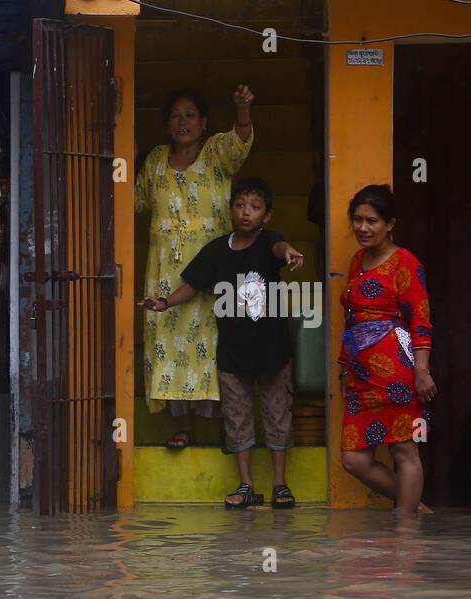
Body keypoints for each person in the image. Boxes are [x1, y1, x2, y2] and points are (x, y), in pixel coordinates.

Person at [140, 178, 305, 509]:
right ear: (230, 210)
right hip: (232, 353)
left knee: (277, 416)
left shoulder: (269, 241)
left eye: (255, 207)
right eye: (240, 205)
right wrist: (164, 303)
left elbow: (279, 247)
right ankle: (246, 486)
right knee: (237, 419)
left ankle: (280, 485)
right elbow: (193, 285)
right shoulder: (217, 250)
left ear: (267, 215)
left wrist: (288, 252)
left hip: (273, 350)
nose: (246, 212)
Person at [135, 85, 256, 450]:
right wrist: (125, 157)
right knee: (171, 348)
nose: (182, 122)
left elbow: (239, 144)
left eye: (190, 115)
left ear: (204, 122)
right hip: (164, 272)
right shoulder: (156, 159)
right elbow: (136, 201)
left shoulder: (217, 150)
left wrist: (242, 110)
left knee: (215, 346)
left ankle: (228, 432)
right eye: (175, 116)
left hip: (212, 270)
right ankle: (184, 427)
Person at [337, 184, 435, 514]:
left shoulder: (405, 262)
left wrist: (421, 370)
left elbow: (421, 320)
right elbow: (351, 318)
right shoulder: (357, 261)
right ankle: (414, 506)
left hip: (397, 374)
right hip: (360, 379)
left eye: (372, 221)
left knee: (404, 451)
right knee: (353, 459)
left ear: (390, 223)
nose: (363, 227)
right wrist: (343, 368)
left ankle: (405, 530)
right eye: (357, 219)